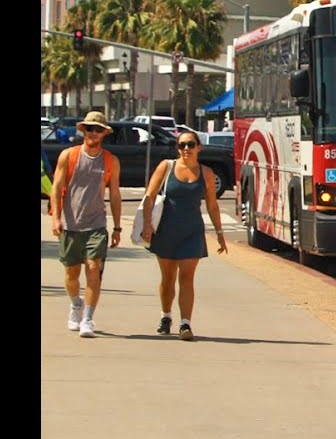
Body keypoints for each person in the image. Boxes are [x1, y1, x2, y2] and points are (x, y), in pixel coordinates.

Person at [139, 130, 227, 341]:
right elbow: (149, 196)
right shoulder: (166, 167)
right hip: (166, 230)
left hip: (192, 231)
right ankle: (166, 316)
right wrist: (147, 225)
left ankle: (185, 323)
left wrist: (219, 232)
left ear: (199, 147)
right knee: (167, 279)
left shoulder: (206, 172)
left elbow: (212, 205)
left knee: (187, 278)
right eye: (182, 145)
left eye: (190, 144)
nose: (186, 149)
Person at [49, 110, 123, 338]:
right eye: (89, 128)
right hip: (71, 224)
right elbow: (56, 188)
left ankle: (88, 319)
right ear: (83, 131)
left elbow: (115, 194)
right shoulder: (68, 156)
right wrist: (56, 218)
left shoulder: (111, 160)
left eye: (98, 129)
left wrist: (118, 227)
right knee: (72, 275)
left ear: (103, 134)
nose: (93, 133)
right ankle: (75, 304)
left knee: (93, 269)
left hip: (96, 224)